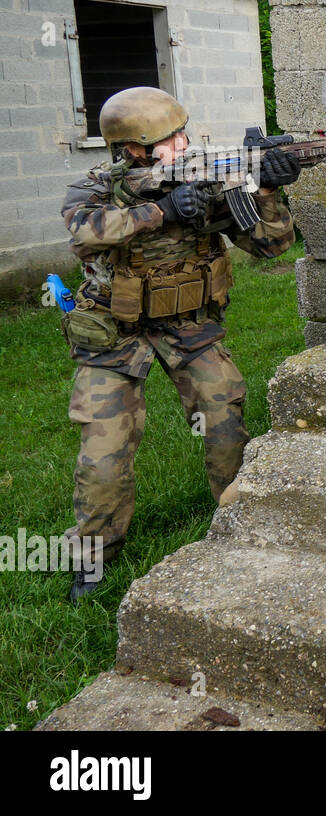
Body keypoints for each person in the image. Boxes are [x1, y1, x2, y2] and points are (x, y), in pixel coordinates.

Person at [60, 86, 300, 603]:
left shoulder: (210, 179)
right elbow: (84, 233)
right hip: (114, 336)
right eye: (170, 140)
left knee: (225, 422)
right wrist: (162, 210)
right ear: (134, 150)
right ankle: (92, 558)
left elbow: (271, 247)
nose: (183, 145)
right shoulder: (95, 188)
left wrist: (267, 190)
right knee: (103, 454)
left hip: (190, 328)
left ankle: (240, 526)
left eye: (183, 134)